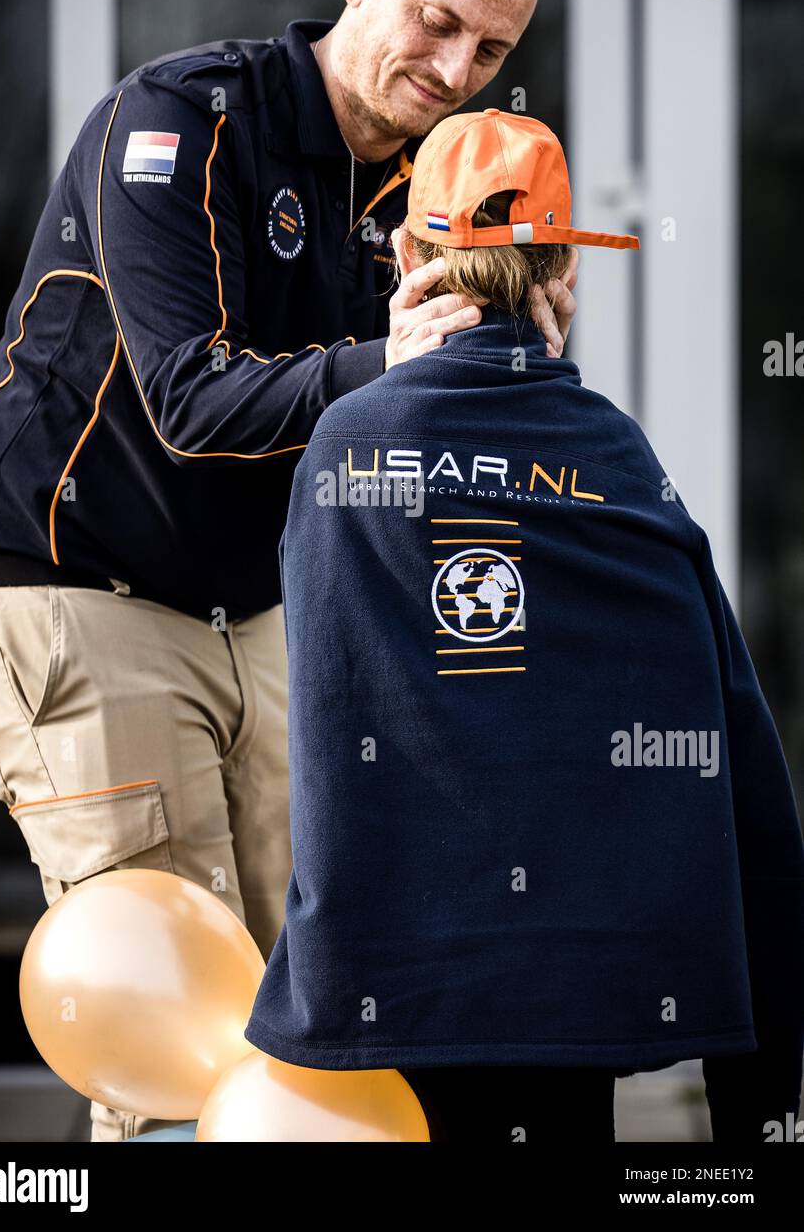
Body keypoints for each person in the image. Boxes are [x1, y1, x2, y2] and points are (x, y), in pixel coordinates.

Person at [0, 0, 577, 1141]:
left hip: (259, 603)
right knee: (176, 1009)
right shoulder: (178, 117)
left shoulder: (425, 190)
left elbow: (392, 450)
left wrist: (510, 370)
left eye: (491, 50)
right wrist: (392, 363)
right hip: (74, 581)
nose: (454, 68)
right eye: (435, 20)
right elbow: (186, 399)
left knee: (310, 990)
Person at [244, 111, 804, 1144]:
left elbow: (326, 723)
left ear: (408, 259)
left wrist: (319, 971)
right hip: (580, 987)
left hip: (394, 976)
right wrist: (758, 1101)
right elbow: (743, 763)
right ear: (560, 274)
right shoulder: (617, 454)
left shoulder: (347, 444)